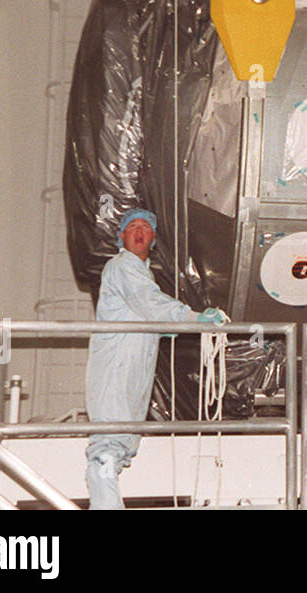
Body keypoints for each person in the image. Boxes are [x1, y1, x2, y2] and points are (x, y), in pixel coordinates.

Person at [85, 208, 227, 509]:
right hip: (116, 368)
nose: (139, 232)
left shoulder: (139, 272)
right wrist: (193, 318)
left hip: (132, 369)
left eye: (146, 228)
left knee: (119, 444)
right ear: (121, 236)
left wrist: (172, 330)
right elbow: (148, 302)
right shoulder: (122, 266)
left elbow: (144, 314)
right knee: (109, 446)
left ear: (153, 239)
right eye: (132, 227)